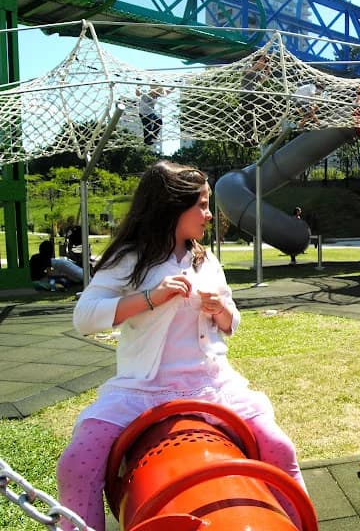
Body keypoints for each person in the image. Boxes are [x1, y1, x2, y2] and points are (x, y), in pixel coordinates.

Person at [57, 161, 306, 530]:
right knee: (77, 464)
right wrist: (149, 298)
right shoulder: (130, 258)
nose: (209, 214)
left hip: (211, 384)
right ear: (172, 206)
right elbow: (85, 316)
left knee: (279, 448)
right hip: (142, 389)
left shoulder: (206, 260)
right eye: (202, 205)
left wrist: (221, 310)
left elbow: (232, 320)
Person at [240, 53, 269, 145]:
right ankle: (247, 138)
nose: (264, 64)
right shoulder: (249, 65)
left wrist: (267, 70)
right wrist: (258, 63)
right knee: (249, 116)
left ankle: (249, 138)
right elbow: (247, 72)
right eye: (264, 61)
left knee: (250, 116)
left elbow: (262, 80)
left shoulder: (257, 72)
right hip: (245, 94)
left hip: (251, 94)